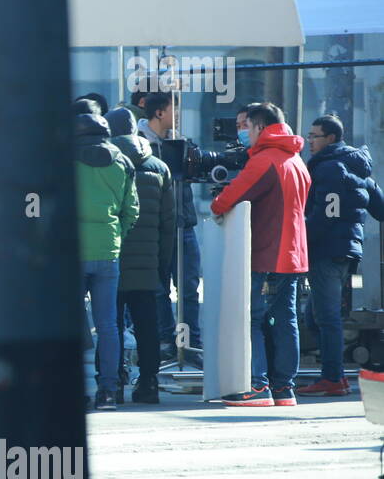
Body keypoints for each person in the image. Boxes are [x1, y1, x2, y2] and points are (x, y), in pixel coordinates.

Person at [211, 102, 310, 407]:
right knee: (286, 320)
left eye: (246, 127)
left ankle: (257, 385)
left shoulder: (265, 160)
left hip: (267, 255)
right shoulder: (296, 161)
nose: (244, 133)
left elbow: (229, 197)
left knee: (252, 319)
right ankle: (284, 389)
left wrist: (216, 206)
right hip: (294, 254)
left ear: (259, 127)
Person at [298, 115, 384, 397]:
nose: (309, 141)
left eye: (315, 136)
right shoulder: (358, 166)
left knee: (326, 317)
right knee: (316, 317)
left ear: (331, 138)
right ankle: (335, 376)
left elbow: (325, 217)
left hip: (326, 250)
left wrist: (298, 239)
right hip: (347, 251)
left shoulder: (329, 168)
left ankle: (333, 378)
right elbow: (379, 208)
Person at [107, 108, 175, 404]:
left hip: (112, 258)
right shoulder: (160, 167)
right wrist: (164, 266)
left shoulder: (105, 165)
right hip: (148, 263)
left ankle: (113, 381)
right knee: (148, 327)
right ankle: (149, 383)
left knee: (111, 324)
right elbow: (169, 224)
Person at [76, 108, 139, 410]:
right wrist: (117, 237)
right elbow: (132, 210)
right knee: (108, 326)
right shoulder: (123, 161)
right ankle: (109, 392)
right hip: (108, 253)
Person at [138, 92, 202, 352]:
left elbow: (196, 173)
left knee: (188, 289)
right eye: (174, 110)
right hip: (154, 229)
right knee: (157, 289)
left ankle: (191, 344)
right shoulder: (139, 146)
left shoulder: (182, 142)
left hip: (184, 225)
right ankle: (165, 341)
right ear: (159, 113)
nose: (178, 115)